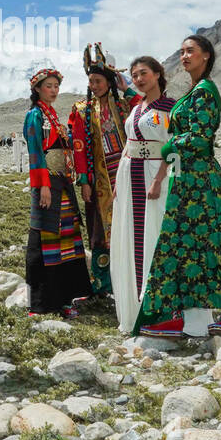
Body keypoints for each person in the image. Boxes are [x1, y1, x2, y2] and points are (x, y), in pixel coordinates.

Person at [138, 35, 221, 338]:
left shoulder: (204, 92)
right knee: (187, 244)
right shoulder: (194, 90)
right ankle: (179, 314)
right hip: (187, 178)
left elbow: (200, 137)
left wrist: (168, 147)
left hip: (200, 180)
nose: (185, 56)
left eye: (191, 51)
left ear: (206, 56)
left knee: (205, 242)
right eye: (182, 51)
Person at [109, 56, 175, 333]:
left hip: (152, 177)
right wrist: (117, 182)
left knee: (154, 234)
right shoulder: (137, 108)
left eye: (144, 73)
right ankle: (134, 308)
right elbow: (130, 144)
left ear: (158, 74)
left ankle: (161, 310)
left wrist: (160, 179)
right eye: (134, 75)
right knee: (132, 237)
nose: (138, 79)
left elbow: (172, 146)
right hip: (130, 176)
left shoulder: (172, 107)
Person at [24, 68, 92, 318]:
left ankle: (65, 297)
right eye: (48, 86)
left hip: (61, 185)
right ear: (38, 89)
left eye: (56, 86)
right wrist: (41, 185)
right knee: (45, 240)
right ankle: (42, 302)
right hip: (47, 185)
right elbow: (35, 153)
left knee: (66, 241)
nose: (53, 90)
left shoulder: (51, 115)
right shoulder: (35, 116)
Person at [68, 43, 134, 298]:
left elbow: (148, 108)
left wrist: (126, 90)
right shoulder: (82, 110)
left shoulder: (125, 106)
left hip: (128, 175)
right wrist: (84, 180)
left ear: (110, 81)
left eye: (98, 80)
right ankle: (103, 283)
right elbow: (79, 147)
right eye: (91, 81)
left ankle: (130, 279)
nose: (94, 85)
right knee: (99, 230)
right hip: (99, 179)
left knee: (129, 224)